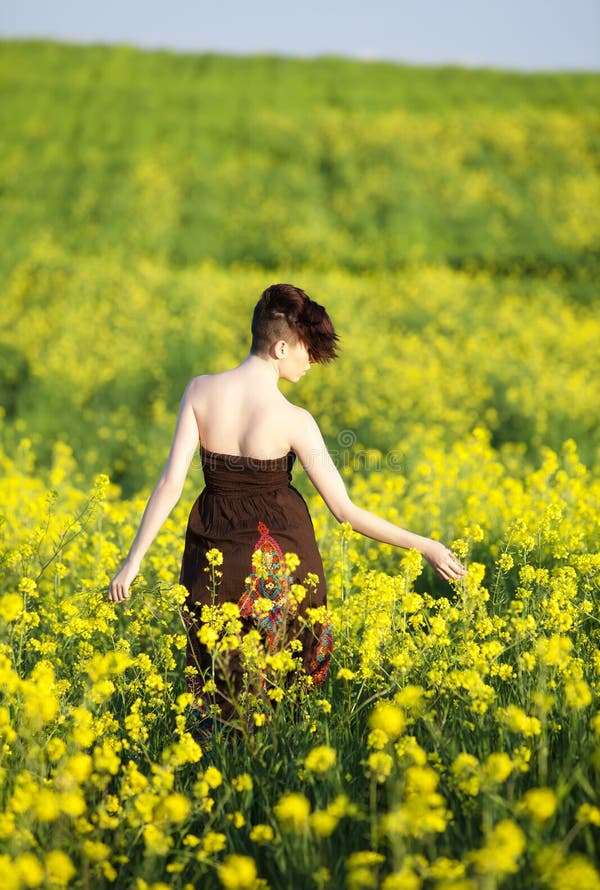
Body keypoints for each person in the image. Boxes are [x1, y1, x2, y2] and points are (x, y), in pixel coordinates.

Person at [109, 284, 466, 731]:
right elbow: (345, 511)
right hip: (281, 568)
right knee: (275, 699)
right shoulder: (295, 421)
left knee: (217, 691)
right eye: (308, 350)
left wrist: (132, 562)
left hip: (213, 557)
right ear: (280, 347)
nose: (312, 362)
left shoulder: (199, 391)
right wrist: (425, 545)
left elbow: (169, 484)